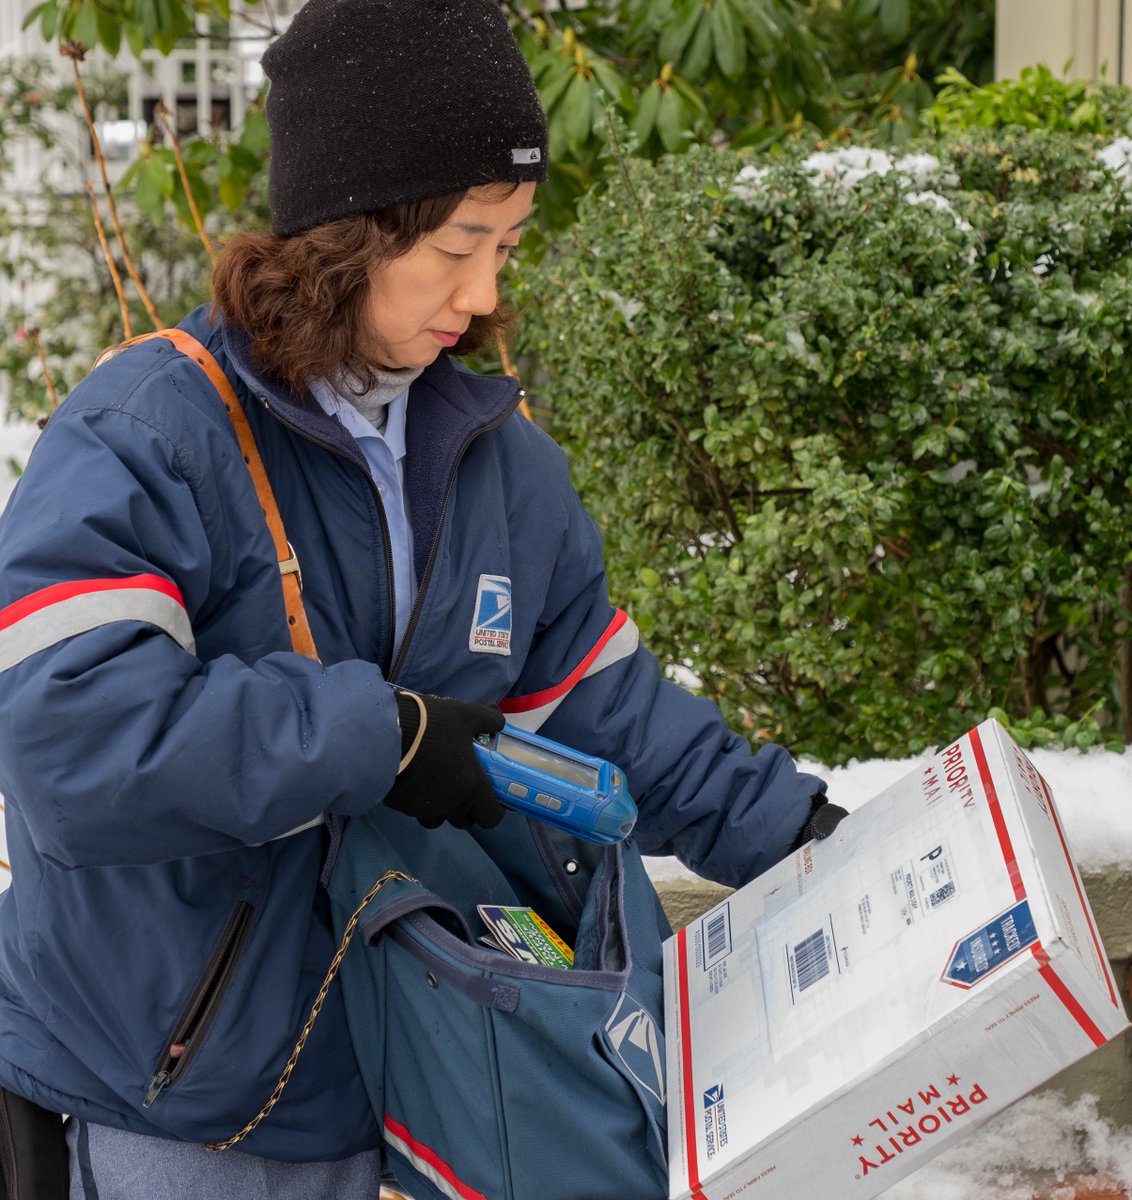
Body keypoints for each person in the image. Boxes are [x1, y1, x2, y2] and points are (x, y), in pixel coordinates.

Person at [0, 1, 844, 1196]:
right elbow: (68, 741)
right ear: (344, 237)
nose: (487, 291)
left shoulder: (499, 462)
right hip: (187, 1086)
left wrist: (805, 839)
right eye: (457, 248)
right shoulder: (148, 434)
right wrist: (383, 737)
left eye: (508, 246)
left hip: (408, 1058)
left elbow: (604, 716)